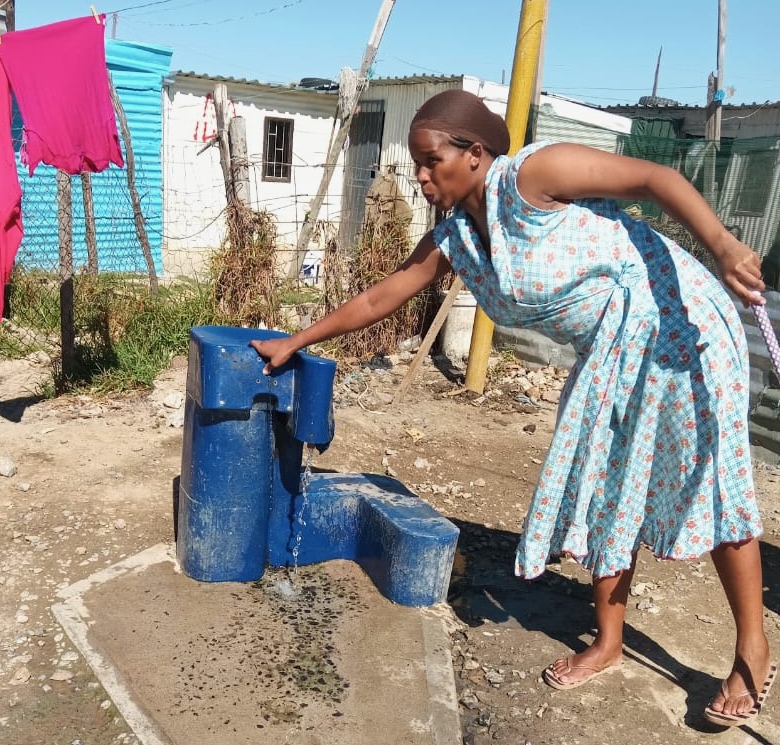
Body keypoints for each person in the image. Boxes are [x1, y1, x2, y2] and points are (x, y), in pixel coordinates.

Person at [250, 89, 775, 727]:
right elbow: (384, 295)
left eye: (429, 160)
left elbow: (653, 176)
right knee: (604, 486)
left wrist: (721, 244)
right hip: (612, 348)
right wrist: (296, 341)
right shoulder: (456, 237)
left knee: (711, 482)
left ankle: (753, 646)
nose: (419, 175)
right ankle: (608, 643)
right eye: (417, 162)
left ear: (474, 154)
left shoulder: (532, 174)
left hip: (680, 323)